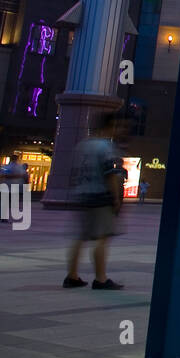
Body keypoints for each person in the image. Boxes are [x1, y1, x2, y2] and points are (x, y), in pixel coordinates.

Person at [64, 113, 128, 290]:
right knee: (102, 237)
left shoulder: (82, 145)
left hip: (82, 195)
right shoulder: (106, 147)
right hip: (101, 197)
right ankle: (100, 279)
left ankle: (72, 275)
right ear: (111, 126)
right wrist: (116, 199)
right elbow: (110, 175)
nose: (120, 130)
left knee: (80, 237)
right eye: (118, 126)